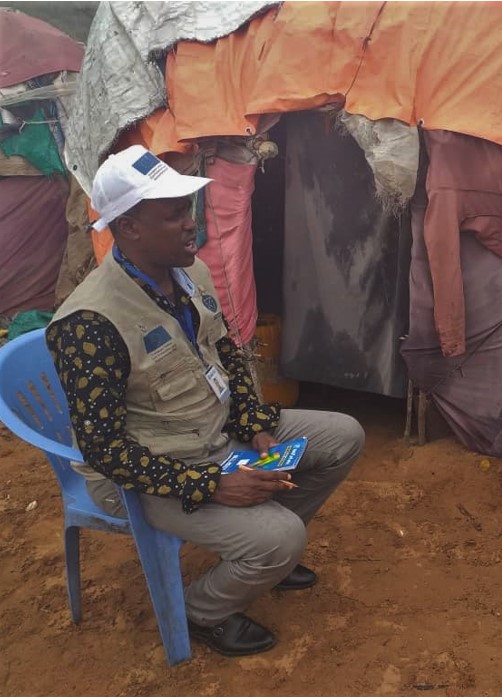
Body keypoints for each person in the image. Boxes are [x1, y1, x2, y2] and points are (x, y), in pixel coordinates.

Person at [47, 145, 365, 657]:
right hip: (149, 471)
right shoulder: (90, 323)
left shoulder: (190, 272)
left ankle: (262, 555)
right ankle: (201, 609)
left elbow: (225, 353)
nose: (190, 223)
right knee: (282, 538)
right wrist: (211, 484)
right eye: (174, 214)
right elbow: (104, 450)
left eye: (188, 208)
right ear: (128, 228)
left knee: (343, 436)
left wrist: (254, 421)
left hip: (216, 433)